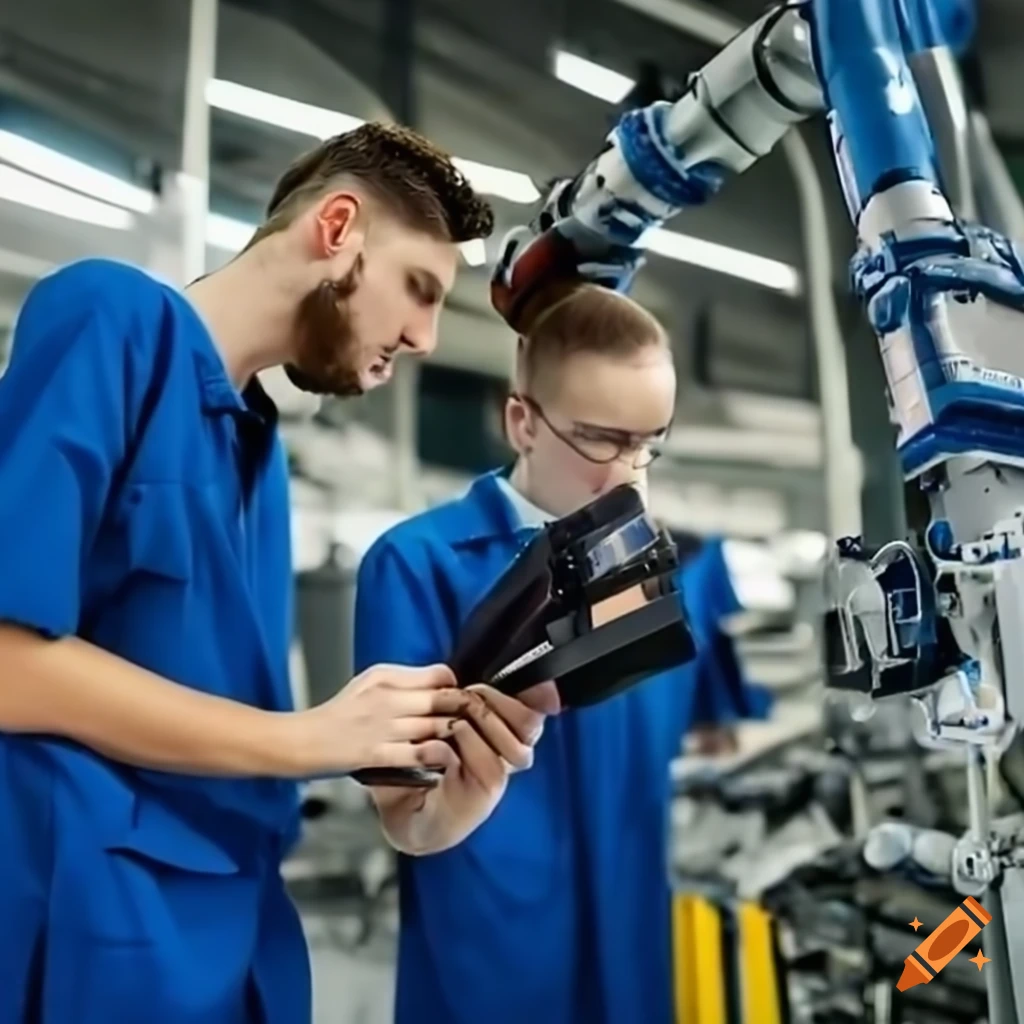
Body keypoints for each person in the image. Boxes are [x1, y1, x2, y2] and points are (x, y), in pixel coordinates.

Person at [0, 122, 546, 1024]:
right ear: (338, 229)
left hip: (238, 944)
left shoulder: (260, 453)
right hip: (101, 947)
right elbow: (9, 664)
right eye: (419, 289)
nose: (423, 336)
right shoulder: (114, 319)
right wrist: (312, 739)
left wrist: (434, 805)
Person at [354, 284, 769, 1024]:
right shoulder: (419, 566)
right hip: (492, 960)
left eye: (648, 444)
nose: (627, 475)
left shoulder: (670, 574)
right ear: (523, 422)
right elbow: (403, 815)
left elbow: (708, 737)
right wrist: (447, 801)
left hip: (633, 943)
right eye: (601, 440)